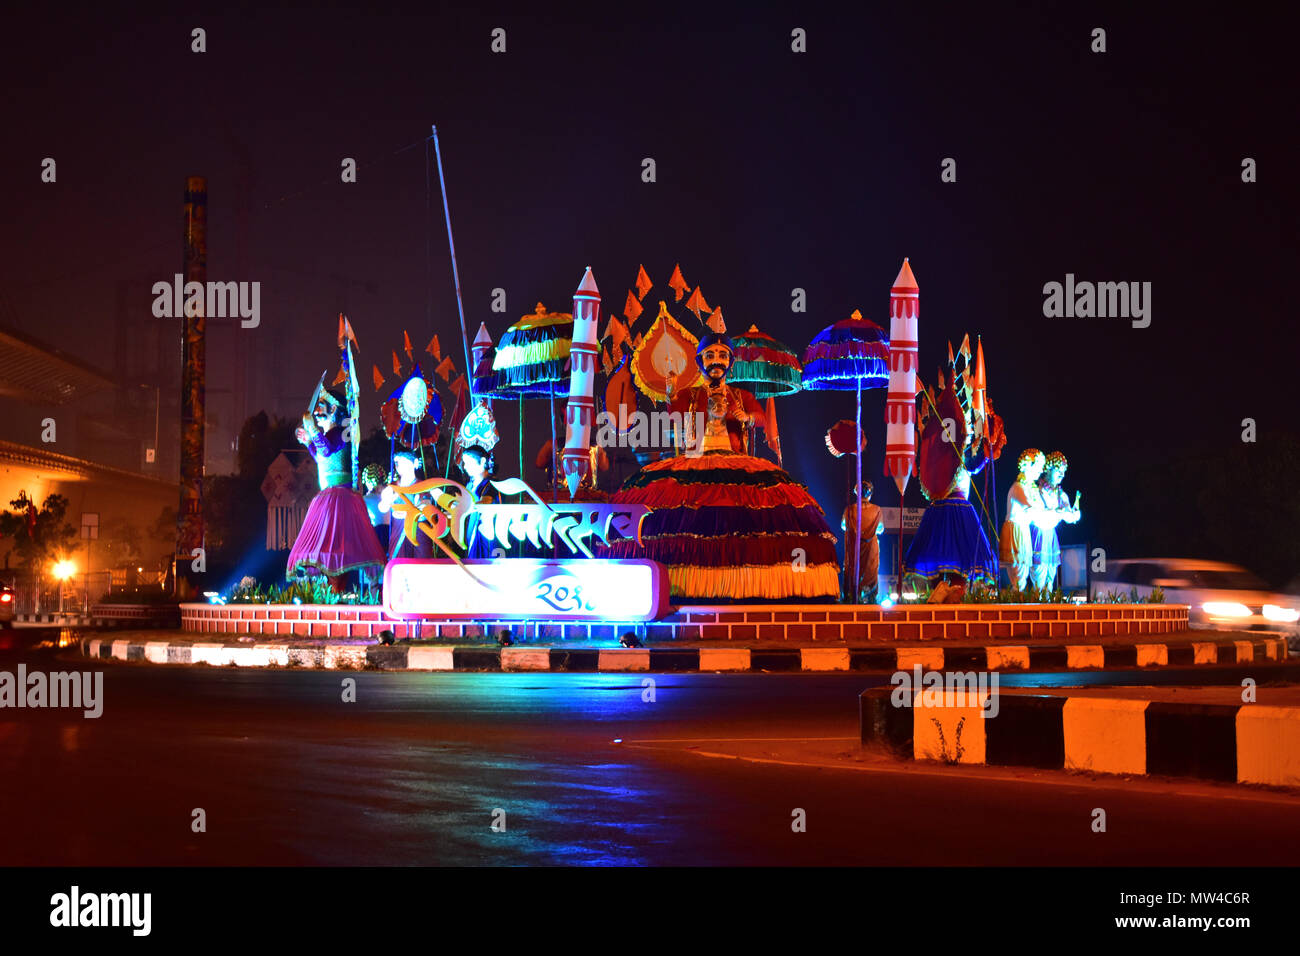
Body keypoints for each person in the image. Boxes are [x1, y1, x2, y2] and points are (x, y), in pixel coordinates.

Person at [597, 324, 841, 602]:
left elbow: (759, 419)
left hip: (736, 459)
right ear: (700, 361)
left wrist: (744, 416)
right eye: (710, 355)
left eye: (723, 355)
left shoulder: (740, 395)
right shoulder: (689, 394)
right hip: (696, 458)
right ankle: (680, 584)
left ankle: (753, 583)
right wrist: (671, 393)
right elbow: (674, 418)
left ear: (730, 362)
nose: (717, 361)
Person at [286, 389, 386, 583]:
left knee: (338, 547)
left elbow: (326, 448)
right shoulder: (330, 434)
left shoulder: (342, 433)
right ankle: (331, 589)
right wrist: (308, 441)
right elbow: (321, 455)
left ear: (333, 409)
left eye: (320, 407)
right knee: (326, 548)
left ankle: (343, 588)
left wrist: (312, 430)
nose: (315, 413)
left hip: (340, 498)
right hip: (327, 496)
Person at [999, 448, 1054, 591]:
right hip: (1015, 530)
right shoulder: (1018, 487)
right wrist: (1050, 514)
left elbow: (1039, 507)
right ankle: (1015, 606)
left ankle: (1018, 603)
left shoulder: (1030, 487)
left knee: (1022, 575)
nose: (1041, 470)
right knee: (1019, 576)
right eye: (1038, 466)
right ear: (1028, 465)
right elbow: (1032, 506)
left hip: (1023, 530)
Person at [1032, 451, 1082, 590]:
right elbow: (1035, 513)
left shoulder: (1061, 494)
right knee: (1039, 572)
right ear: (1048, 469)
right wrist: (1055, 513)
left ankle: (1047, 603)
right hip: (1039, 535)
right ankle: (1037, 603)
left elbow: (1070, 516)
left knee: (1051, 573)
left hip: (1051, 536)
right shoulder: (1037, 490)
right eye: (1058, 470)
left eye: (1063, 471)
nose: (1062, 474)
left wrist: (1074, 515)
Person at [379, 451, 434, 560]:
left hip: (418, 529)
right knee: (399, 562)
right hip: (398, 528)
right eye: (397, 463)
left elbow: (426, 505)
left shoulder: (423, 485)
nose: (399, 466)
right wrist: (387, 500)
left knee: (421, 562)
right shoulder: (392, 487)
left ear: (414, 463)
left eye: (404, 462)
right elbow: (382, 508)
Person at [841, 482, 884, 603]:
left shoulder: (849, 510)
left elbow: (843, 526)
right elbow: (881, 529)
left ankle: (852, 596)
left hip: (854, 547)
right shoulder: (877, 510)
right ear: (870, 494)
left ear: (856, 493)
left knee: (852, 569)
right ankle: (868, 597)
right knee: (870, 570)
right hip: (870, 547)